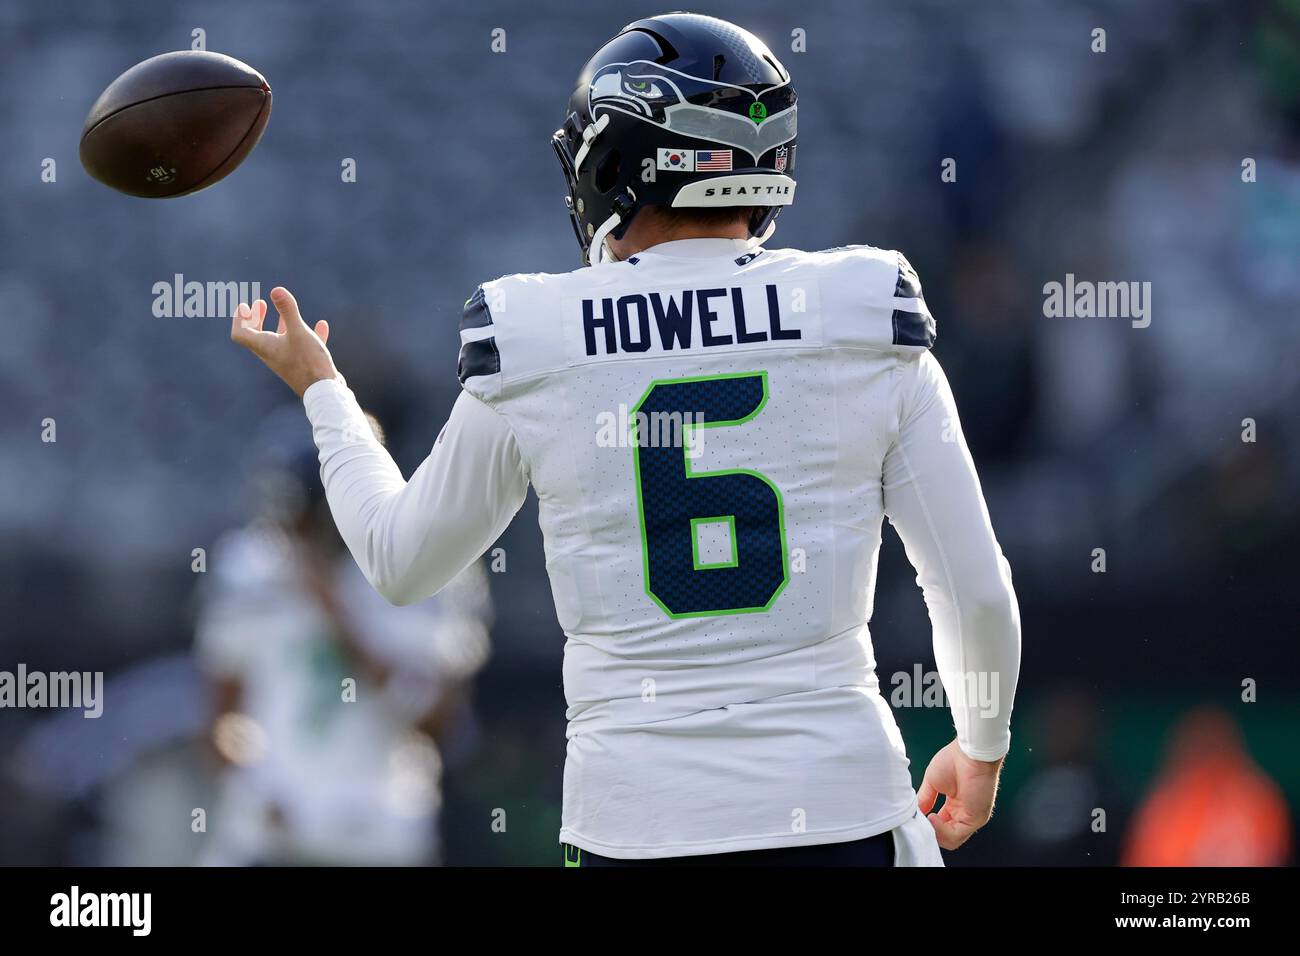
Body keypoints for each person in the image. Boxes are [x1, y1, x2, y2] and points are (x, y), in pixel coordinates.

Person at [230, 13, 1021, 866]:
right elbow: (973, 589)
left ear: (614, 164)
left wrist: (324, 393)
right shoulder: (864, 310)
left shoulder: (538, 334)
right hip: (838, 810)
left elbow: (398, 560)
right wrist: (981, 743)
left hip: (636, 822)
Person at [195, 408, 490, 865]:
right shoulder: (251, 567)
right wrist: (256, 783)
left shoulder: (426, 566)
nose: (288, 534)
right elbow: (221, 715)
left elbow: (440, 725)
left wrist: (340, 618)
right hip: (273, 835)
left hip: (375, 835)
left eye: (300, 517)